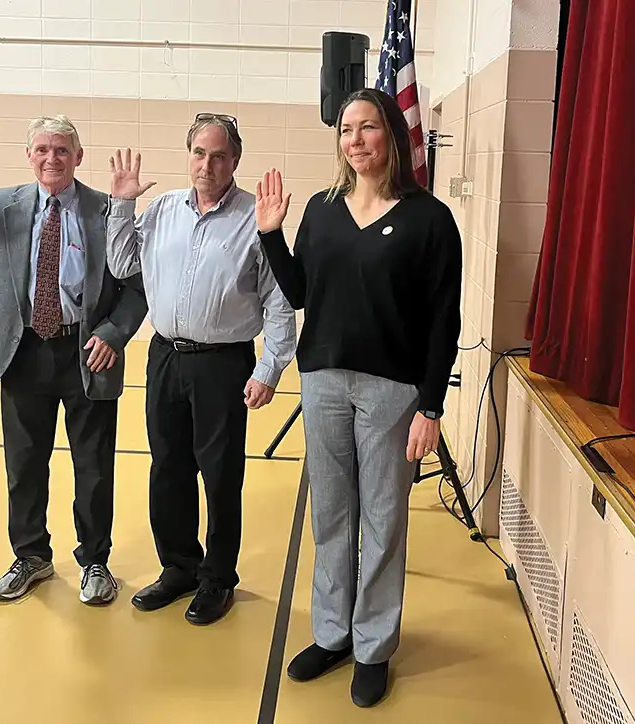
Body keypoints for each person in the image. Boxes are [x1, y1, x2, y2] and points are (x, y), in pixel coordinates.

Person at [254, 88, 463, 707]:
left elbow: (442, 321)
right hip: (322, 380)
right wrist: (272, 236)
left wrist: (430, 405)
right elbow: (297, 293)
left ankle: (373, 646)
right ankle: (332, 632)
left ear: (393, 137)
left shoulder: (429, 218)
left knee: (383, 518)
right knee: (332, 514)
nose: (356, 140)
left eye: (368, 128)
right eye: (347, 129)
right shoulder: (320, 209)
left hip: (393, 390)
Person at [0, 116, 148, 607]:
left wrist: (113, 332)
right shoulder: (1, 206)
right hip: (22, 351)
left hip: (88, 353)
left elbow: (137, 286)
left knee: (94, 465)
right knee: (23, 465)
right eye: (42, 149)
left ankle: (96, 561)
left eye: (62, 150)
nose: (52, 159)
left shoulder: (106, 209)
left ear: (78, 157)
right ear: (29, 156)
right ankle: (32, 556)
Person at [105, 113, 297, 625]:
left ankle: (216, 578)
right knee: (167, 469)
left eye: (218, 155)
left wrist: (270, 367)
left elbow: (279, 303)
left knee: (219, 475)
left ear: (234, 161)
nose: (206, 164)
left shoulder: (256, 219)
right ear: (188, 155)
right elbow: (124, 265)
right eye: (198, 153)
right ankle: (179, 567)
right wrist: (122, 203)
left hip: (223, 364)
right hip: (165, 356)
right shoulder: (163, 208)